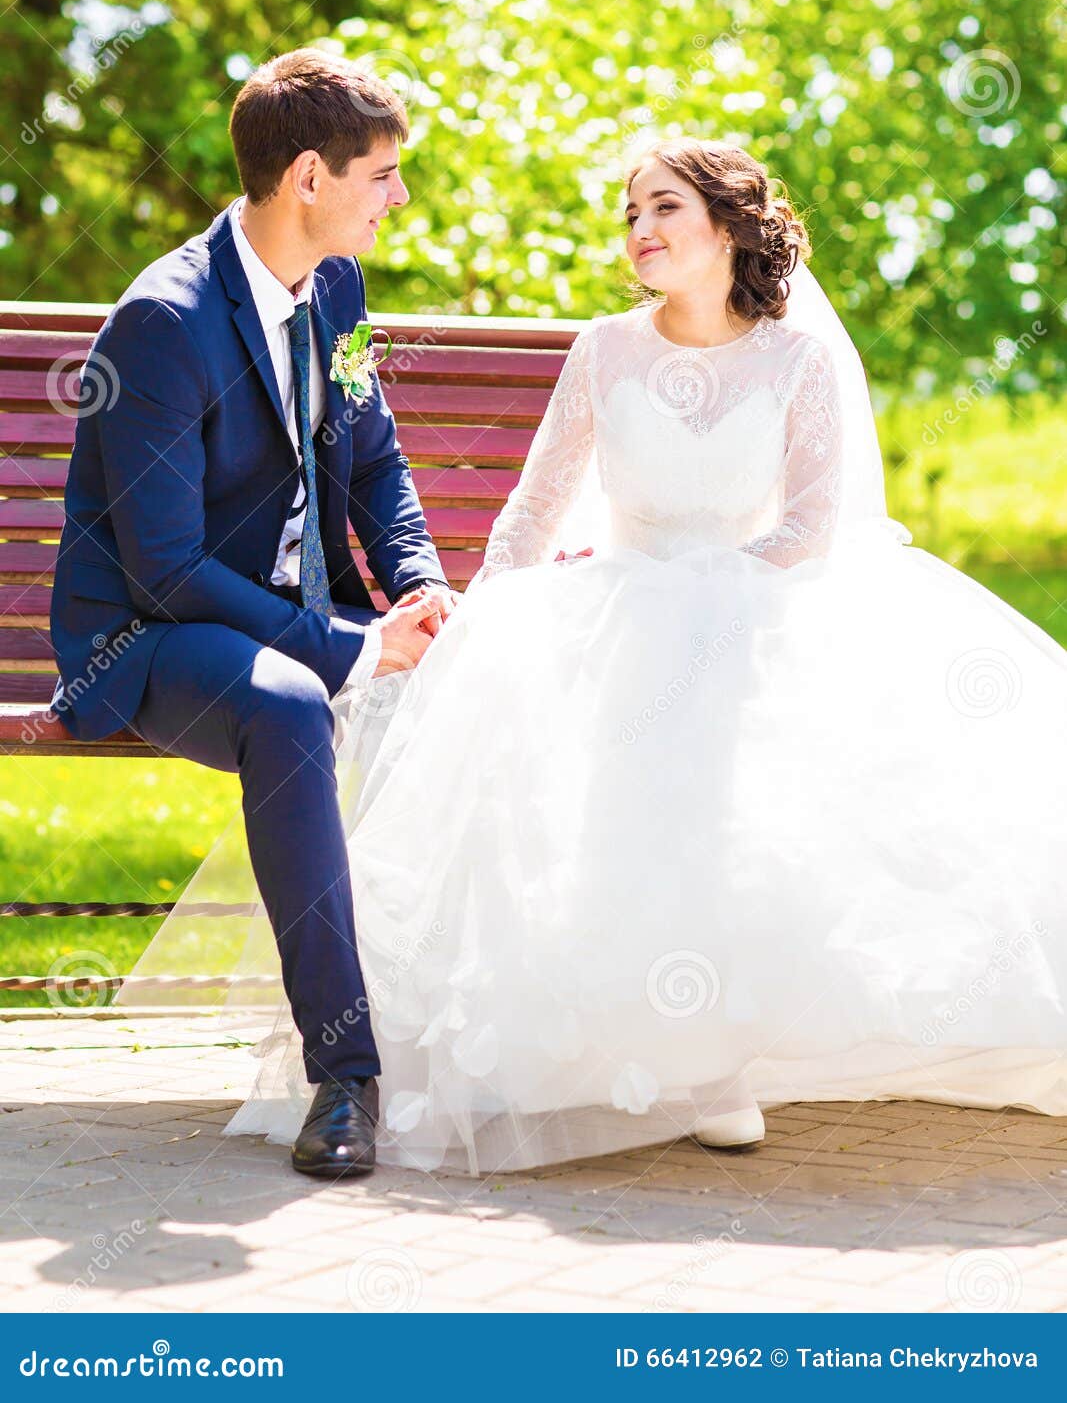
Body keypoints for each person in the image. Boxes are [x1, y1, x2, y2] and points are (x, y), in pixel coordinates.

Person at [149, 137, 1067, 1179]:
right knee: (568, 727)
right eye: (628, 213)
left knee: (725, 745)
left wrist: (704, 595)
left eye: (663, 209)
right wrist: (485, 609)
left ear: (725, 225)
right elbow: (533, 508)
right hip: (616, 600)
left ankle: (723, 1057)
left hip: (750, 602)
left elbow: (808, 527)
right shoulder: (604, 349)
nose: (638, 231)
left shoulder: (795, 361)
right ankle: (579, 1042)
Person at [51, 48, 458, 1180]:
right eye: (384, 174)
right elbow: (167, 568)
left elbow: (372, 458)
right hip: (149, 636)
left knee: (479, 669)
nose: (399, 196)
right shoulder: (162, 323)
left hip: (289, 610)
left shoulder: (334, 288)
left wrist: (414, 582)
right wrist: (350, 648)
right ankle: (346, 1072)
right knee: (290, 706)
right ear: (311, 179)